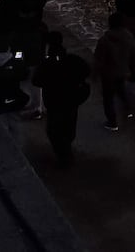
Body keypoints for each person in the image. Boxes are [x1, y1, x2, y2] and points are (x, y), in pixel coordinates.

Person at [32, 32, 91, 167]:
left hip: (55, 102)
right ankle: (67, 149)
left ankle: (65, 156)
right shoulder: (72, 60)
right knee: (69, 127)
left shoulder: (47, 64)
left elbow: (36, 81)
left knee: (54, 131)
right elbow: (86, 70)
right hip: (71, 101)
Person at [93, 13, 135, 131]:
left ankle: (112, 122)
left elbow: (98, 60)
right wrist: (134, 72)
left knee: (108, 98)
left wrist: (94, 74)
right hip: (123, 72)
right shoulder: (129, 37)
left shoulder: (104, 40)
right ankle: (127, 109)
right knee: (121, 90)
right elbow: (134, 56)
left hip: (108, 75)